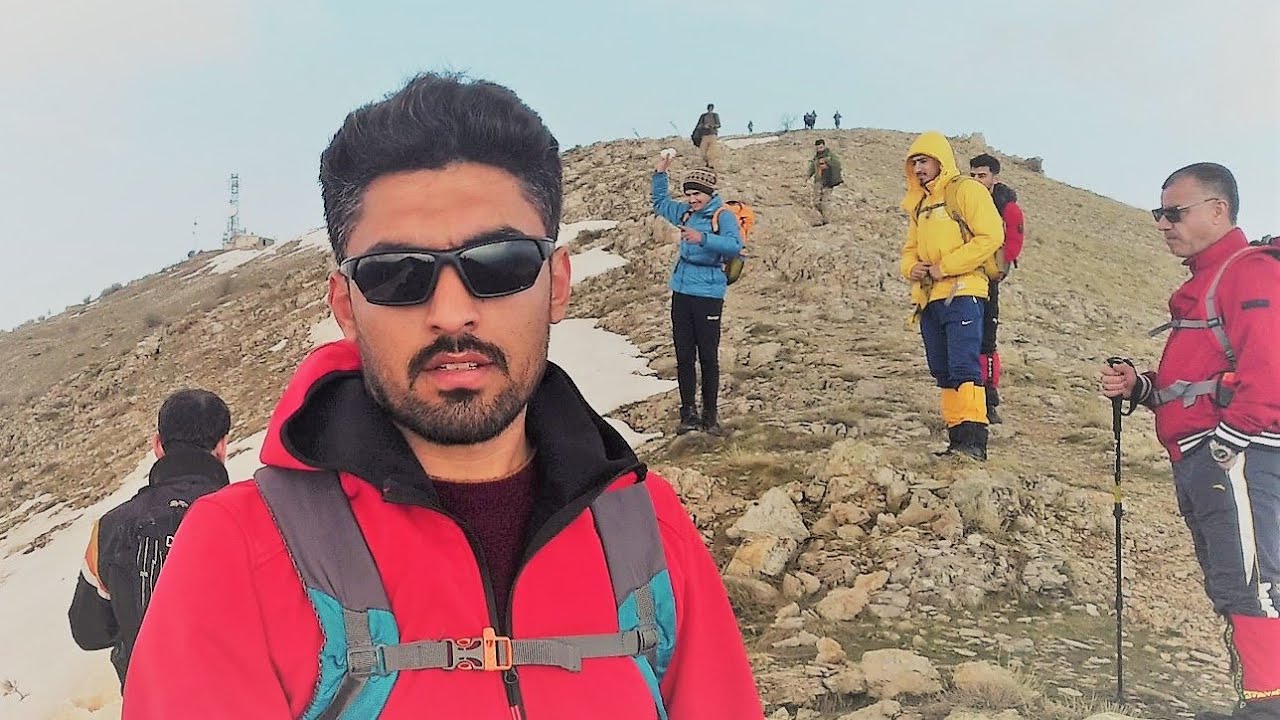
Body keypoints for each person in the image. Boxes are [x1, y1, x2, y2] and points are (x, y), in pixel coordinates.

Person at [123, 73, 763, 720]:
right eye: (396, 274)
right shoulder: (238, 552)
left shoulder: (648, 530)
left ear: (557, 284)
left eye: (501, 263)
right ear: (345, 307)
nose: (452, 313)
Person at [1101, 163, 1280, 720]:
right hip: (1210, 456)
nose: (1163, 224)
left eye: (1173, 212)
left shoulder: (1247, 272)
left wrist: (1228, 442)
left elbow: (1269, 372)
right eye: (1159, 213)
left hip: (1237, 457)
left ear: (1217, 210)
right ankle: (1258, 700)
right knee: (1234, 582)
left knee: (1253, 582)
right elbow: (1202, 381)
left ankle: (1267, 706)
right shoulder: (1209, 280)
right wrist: (1143, 388)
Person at [68, 389, 231, 687]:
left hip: (152, 701)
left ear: (158, 445)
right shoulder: (258, 514)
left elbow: (88, 632)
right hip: (247, 699)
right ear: (222, 446)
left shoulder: (110, 529)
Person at [899, 131, 1003, 460]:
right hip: (930, 298)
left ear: (940, 160)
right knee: (942, 369)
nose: (918, 168)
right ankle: (957, 437)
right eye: (914, 163)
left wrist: (944, 267)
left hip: (964, 292)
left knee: (963, 366)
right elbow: (910, 249)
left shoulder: (965, 190)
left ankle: (974, 439)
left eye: (924, 161)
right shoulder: (920, 204)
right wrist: (911, 268)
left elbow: (991, 236)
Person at [651, 160, 743, 436]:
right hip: (681, 291)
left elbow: (735, 245)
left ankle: (710, 417)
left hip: (708, 294)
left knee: (708, 357)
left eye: (697, 194)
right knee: (684, 356)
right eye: (689, 194)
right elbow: (660, 203)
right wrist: (660, 173)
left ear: (709, 193)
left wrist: (702, 238)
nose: (692, 200)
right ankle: (688, 414)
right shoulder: (686, 213)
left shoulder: (723, 216)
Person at [968, 153, 1025, 423]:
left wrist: (998, 270)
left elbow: (1014, 240)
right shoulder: (965, 200)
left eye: (982, 175)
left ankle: (989, 399)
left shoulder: (1007, 207)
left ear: (994, 177)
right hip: (966, 274)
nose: (977, 180)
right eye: (973, 175)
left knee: (986, 340)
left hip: (989, 278)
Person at [807, 139, 842, 226]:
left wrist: (826, 161)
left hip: (828, 181)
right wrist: (807, 176)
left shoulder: (831, 155)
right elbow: (812, 168)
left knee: (825, 202)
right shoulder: (816, 157)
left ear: (824, 146)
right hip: (818, 181)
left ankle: (826, 220)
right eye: (817, 148)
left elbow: (837, 164)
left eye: (821, 147)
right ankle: (823, 217)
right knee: (816, 202)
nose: (819, 149)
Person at [693, 103, 722, 169]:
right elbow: (699, 125)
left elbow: (718, 125)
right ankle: (707, 162)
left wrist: (712, 126)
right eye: (709, 108)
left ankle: (711, 164)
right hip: (704, 136)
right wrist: (704, 126)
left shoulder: (715, 115)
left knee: (711, 152)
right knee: (703, 152)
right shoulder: (703, 116)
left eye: (711, 108)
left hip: (712, 135)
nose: (710, 109)